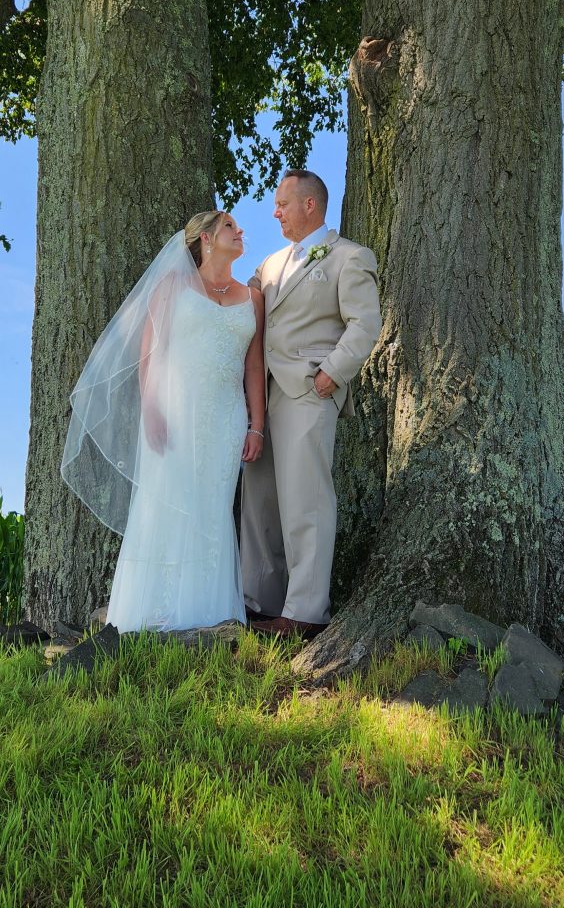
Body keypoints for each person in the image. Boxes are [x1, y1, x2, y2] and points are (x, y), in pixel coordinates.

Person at [61, 211, 266, 632]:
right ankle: (151, 616)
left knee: (212, 511)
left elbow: (253, 367)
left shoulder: (253, 298)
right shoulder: (173, 285)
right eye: (230, 226)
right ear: (205, 238)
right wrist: (151, 409)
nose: (240, 230)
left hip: (226, 417)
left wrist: (256, 425)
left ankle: (208, 615)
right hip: (173, 414)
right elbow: (150, 353)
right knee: (165, 505)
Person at [241, 170, 382, 639]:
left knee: (307, 501)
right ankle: (261, 603)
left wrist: (330, 375)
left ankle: (305, 612)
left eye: (282, 204)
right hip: (261, 397)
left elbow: (364, 324)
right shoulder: (268, 265)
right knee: (260, 501)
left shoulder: (350, 257)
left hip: (308, 390)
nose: (275, 213)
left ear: (310, 205)